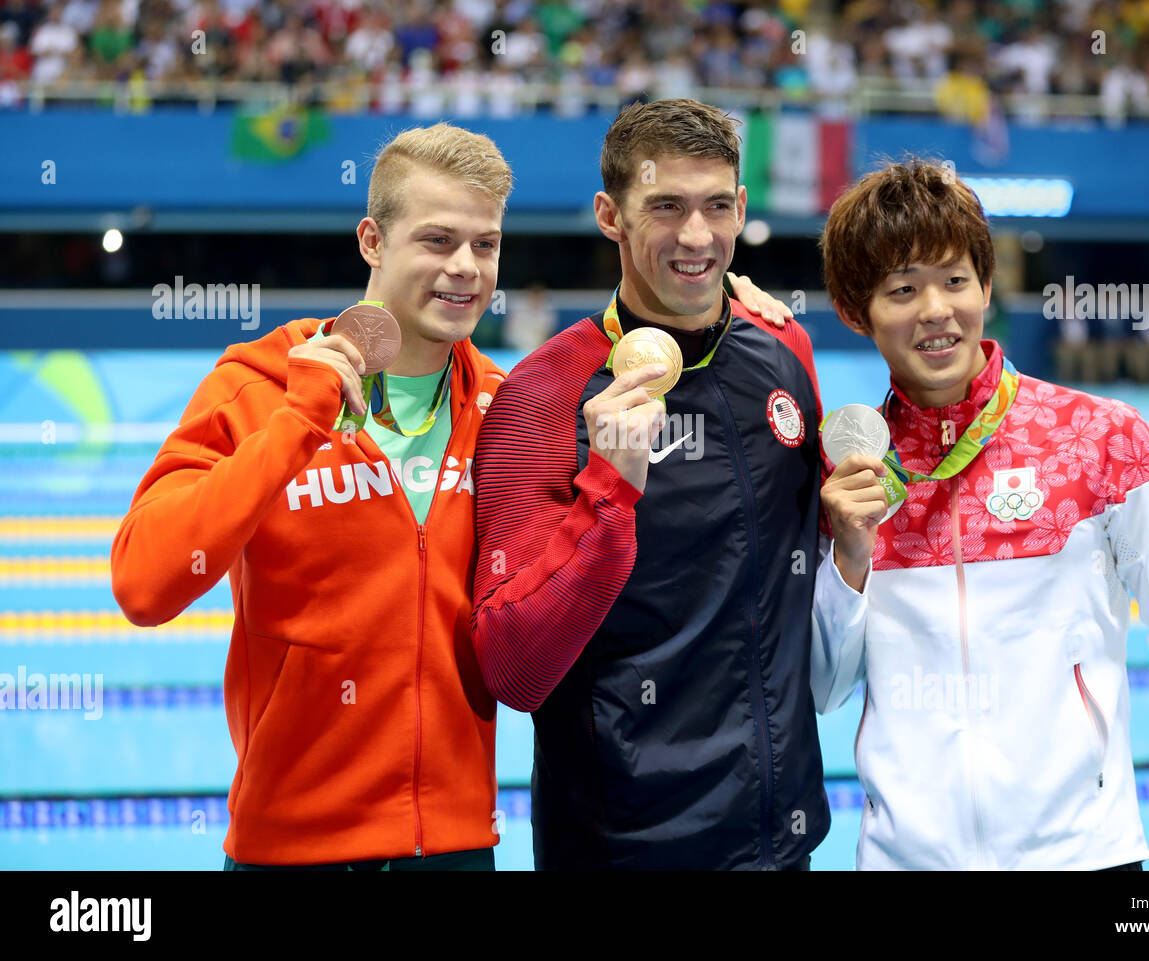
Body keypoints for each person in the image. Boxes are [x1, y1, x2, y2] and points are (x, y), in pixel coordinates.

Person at [811, 158, 1149, 871]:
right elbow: (826, 690)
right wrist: (849, 557)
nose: (935, 310)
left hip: (1083, 855)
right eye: (902, 289)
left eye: (955, 280)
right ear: (855, 310)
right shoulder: (850, 474)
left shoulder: (1103, 438)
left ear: (986, 286)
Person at [111, 123, 513, 870]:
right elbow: (143, 584)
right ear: (371, 240)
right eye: (437, 240)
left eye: (485, 245)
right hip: (290, 847)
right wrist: (297, 424)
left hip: (459, 846)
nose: (465, 269)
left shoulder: (504, 408)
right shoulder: (254, 388)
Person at [470, 98, 839, 870]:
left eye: (715, 206)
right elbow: (512, 669)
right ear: (611, 215)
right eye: (665, 207)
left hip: (785, 839)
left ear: (742, 208)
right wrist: (609, 488)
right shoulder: (541, 396)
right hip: (623, 850)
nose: (697, 236)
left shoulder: (783, 345)